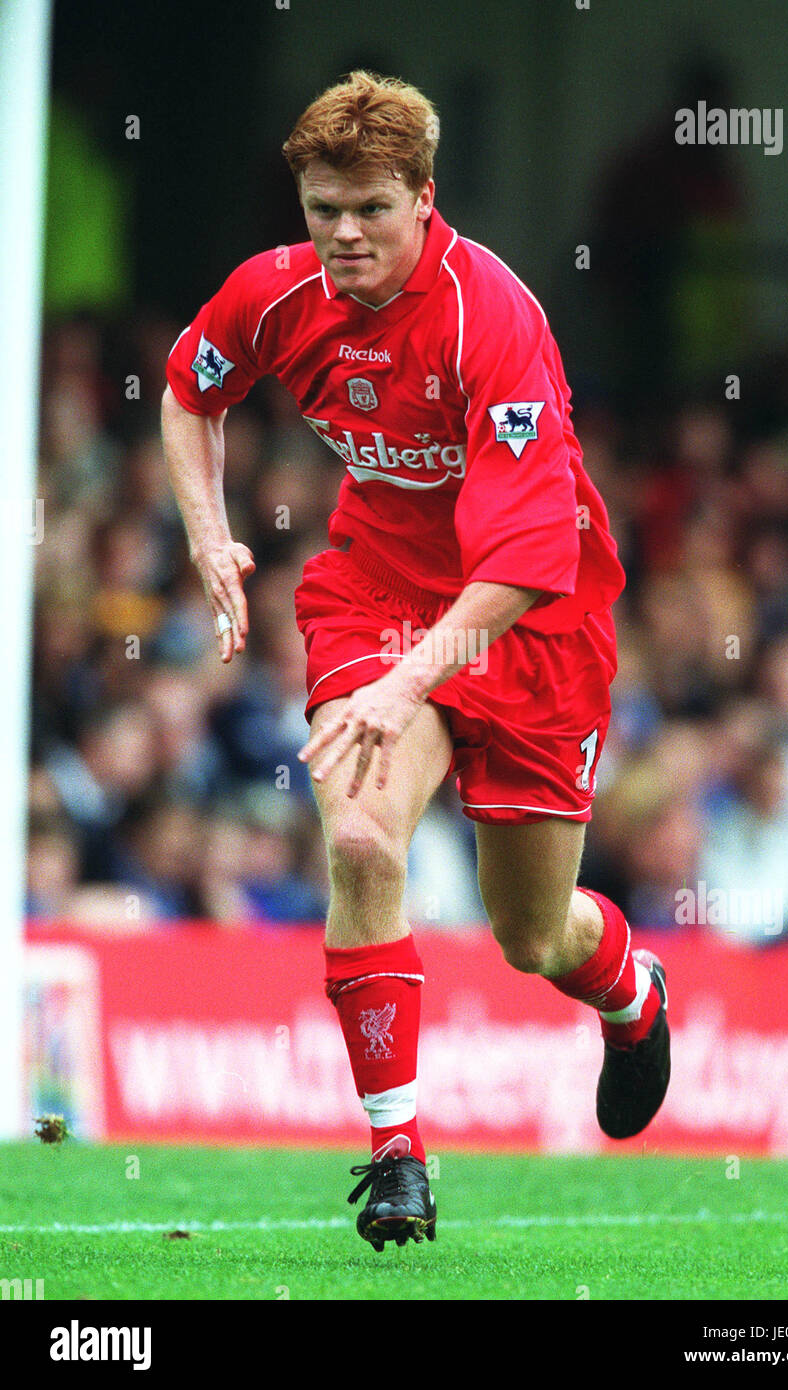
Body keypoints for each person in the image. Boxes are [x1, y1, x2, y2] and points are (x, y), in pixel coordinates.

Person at [162, 71, 671, 1252]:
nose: (343, 234)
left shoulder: (487, 317)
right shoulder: (274, 292)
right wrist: (205, 531)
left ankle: (632, 994)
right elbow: (191, 395)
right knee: (356, 835)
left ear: (423, 200)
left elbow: (524, 567)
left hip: (525, 620)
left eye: (371, 210)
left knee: (531, 937)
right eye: (322, 208)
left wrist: (405, 683)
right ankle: (397, 1152)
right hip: (375, 590)